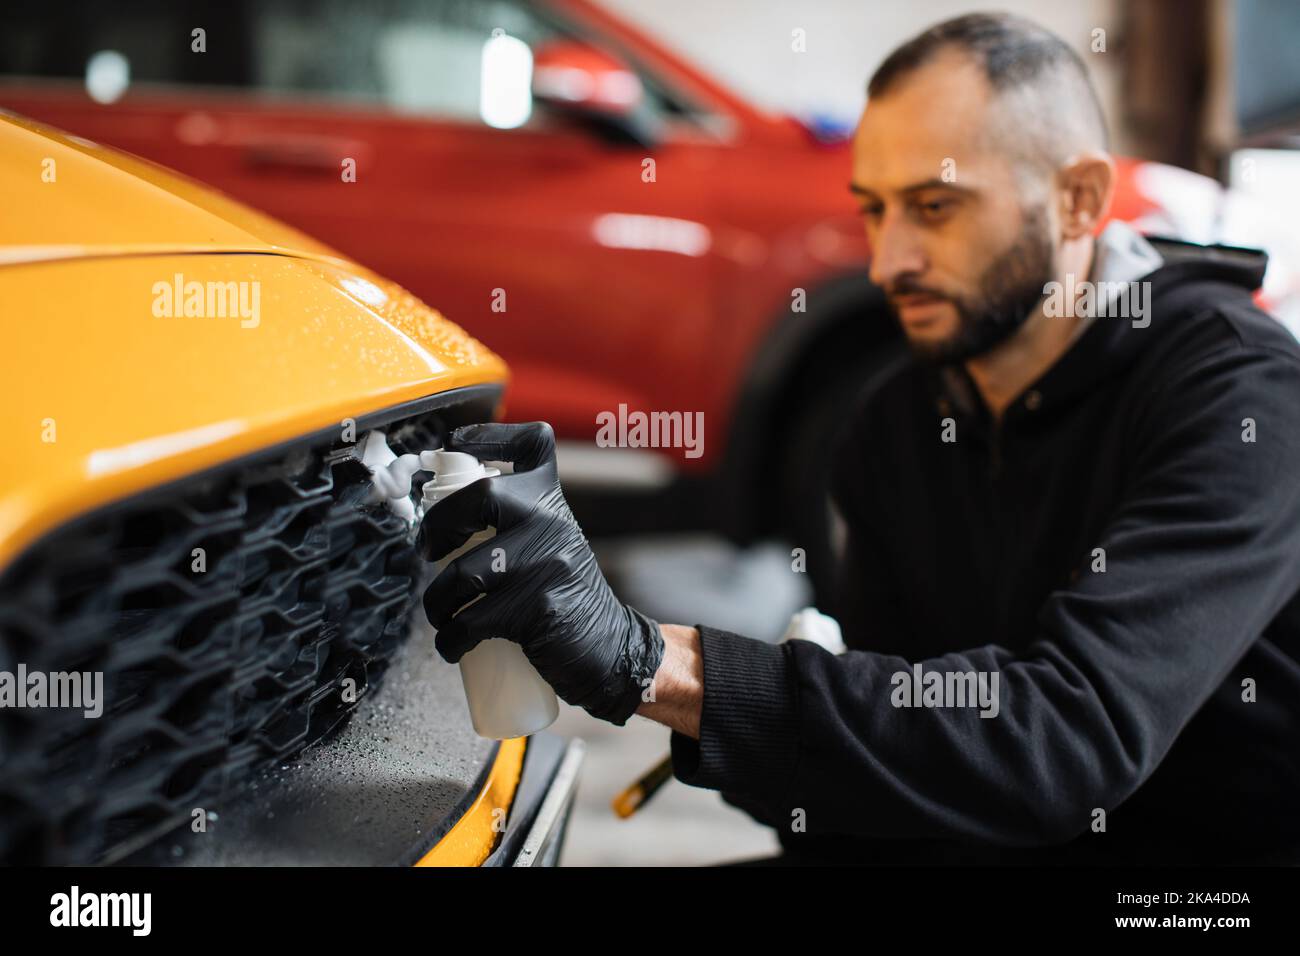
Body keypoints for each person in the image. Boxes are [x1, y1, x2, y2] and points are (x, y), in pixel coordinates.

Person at [417, 12, 1300, 865]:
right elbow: (895, 792)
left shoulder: (1240, 394)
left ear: (1078, 200)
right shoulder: (898, 421)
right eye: (875, 209)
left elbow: (1066, 743)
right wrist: (759, 730)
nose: (887, 261)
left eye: (935, 206)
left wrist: (646, 661)